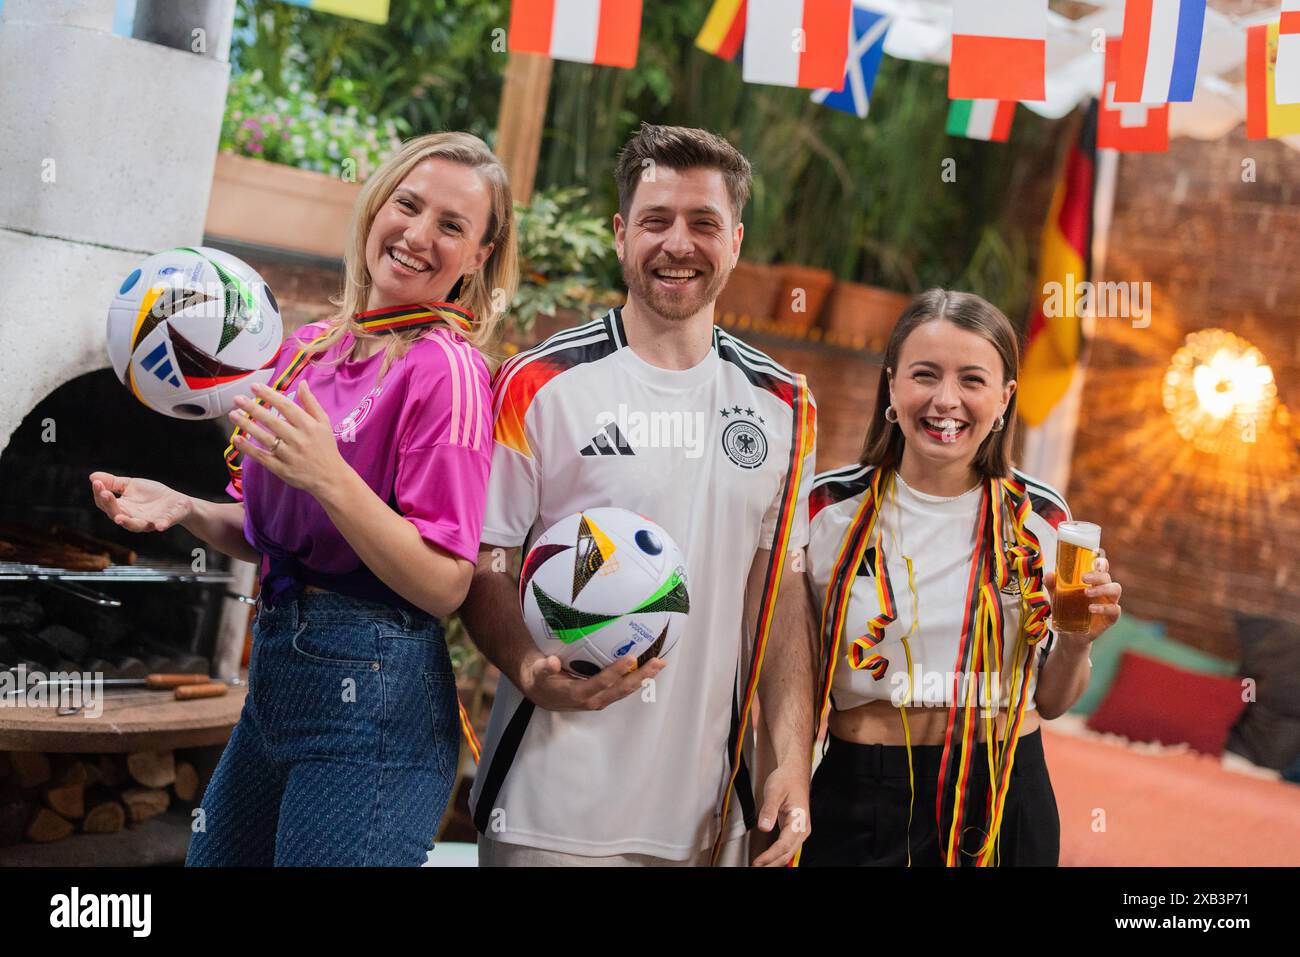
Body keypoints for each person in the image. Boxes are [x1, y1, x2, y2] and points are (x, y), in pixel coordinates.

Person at [88, 131, 518, 866]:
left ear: (479, 255)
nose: (417, 235)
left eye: (452, 226)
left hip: (378, 708)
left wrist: (331, 475)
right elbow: (276, 535)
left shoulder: (447, 371)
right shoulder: (309, 349)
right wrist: (186, 507)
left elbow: (447, 581)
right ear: (377, 204)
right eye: (407, 204)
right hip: (276, 691)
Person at [459, 124, 818, 867]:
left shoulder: (786, 404)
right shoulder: (540, 384)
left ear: (737, 240)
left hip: (706, 816)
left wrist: (789, 756)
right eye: (656, 221)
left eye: (703, 223)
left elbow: (778, 594)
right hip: (546, 805)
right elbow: (485, 561)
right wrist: (533, 671)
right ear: (621, 235)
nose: (677, 243)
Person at [800, 289, 1122, 867]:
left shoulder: (1044, 519)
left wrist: (1077, 641)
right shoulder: (827, 509)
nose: (945, 400)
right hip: (861, 797)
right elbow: (790, 675)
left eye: (972, 380)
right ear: (893, 386)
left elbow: (1050, 701)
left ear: (1004, 399)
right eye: (925, 374)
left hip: (1003, 792)